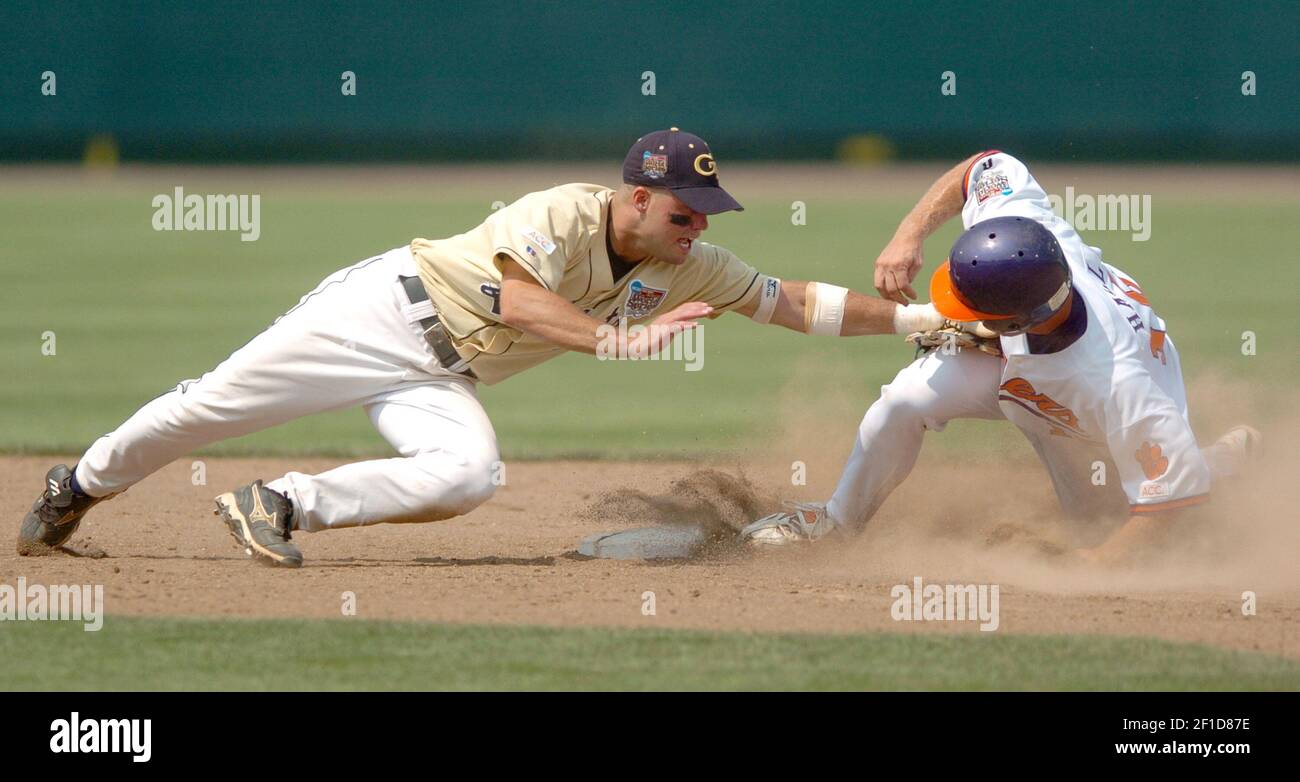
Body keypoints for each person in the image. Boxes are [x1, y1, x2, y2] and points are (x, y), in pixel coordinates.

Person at [19, 128, 951, 568]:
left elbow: (790, 303)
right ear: (634, 198)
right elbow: (519, 298)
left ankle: (279, 504)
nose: (696, 226)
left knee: (470, 476)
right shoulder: (561, 211)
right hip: (378, 315)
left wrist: (920, 323)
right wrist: (615, 342)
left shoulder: (692, 263)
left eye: (708, 213)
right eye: (682, 210)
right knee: (207, 408)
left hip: (444, 371)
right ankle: (79, 487)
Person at [741, 150, 1260, 565]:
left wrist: (1093, 562)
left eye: (969, 307)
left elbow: (1167, 508)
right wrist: (909, 234)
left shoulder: (1121, 387)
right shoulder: (1019, 229)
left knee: (1105, 518)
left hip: (1080, 407)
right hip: (1031, 352)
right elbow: (983, 167)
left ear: (1011, 323)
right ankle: (838, 522)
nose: (953, 308)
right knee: (905, 400)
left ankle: (1217, 463)